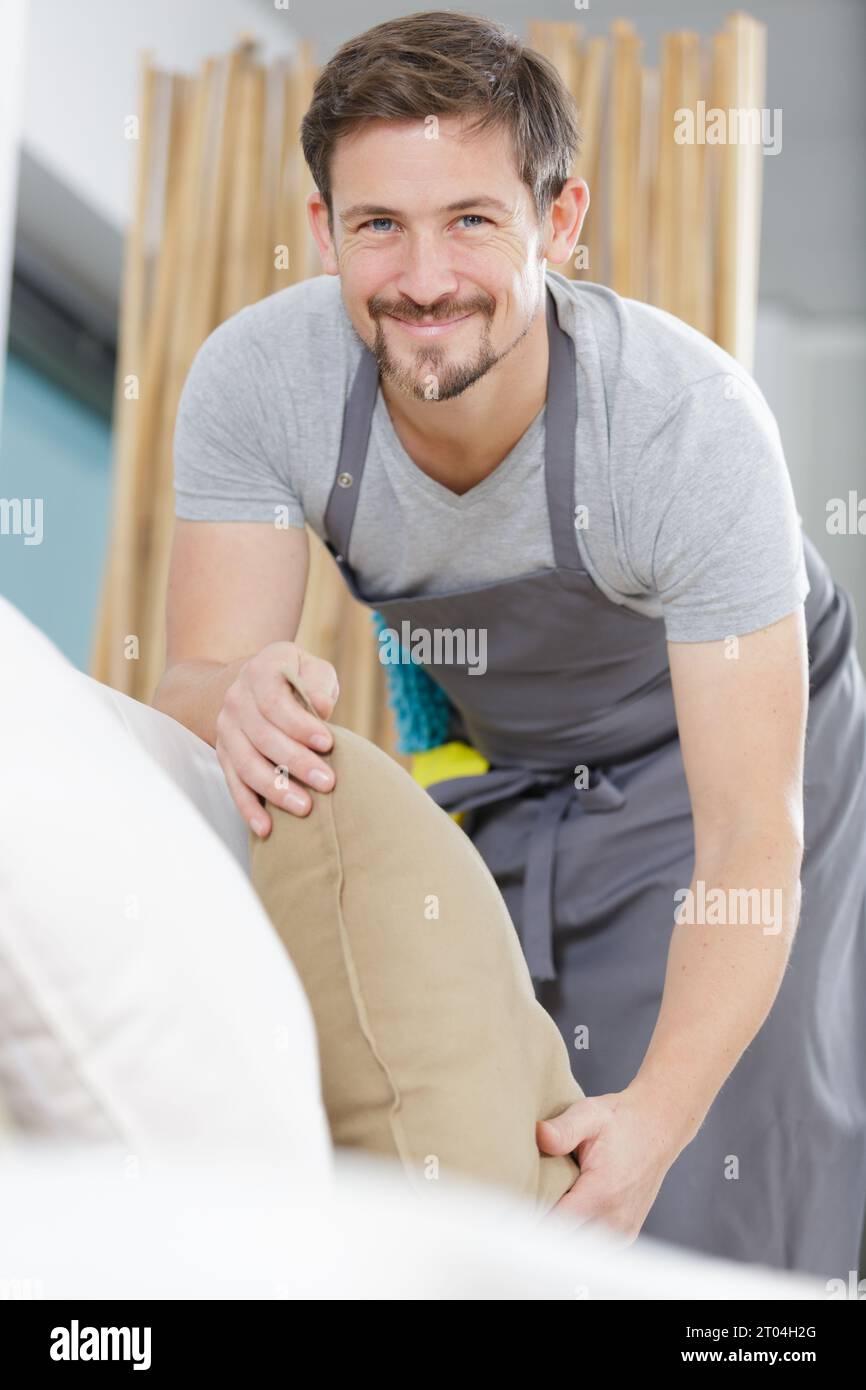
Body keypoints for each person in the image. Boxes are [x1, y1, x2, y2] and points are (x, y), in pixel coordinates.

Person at [154, 11, 866, 1280]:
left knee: (696, 1164)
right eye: (379, 225)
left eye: (472, 220)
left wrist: (654, 1124)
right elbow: (196, 678)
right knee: (514, 1120)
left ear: (559, 221)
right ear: (323, 233)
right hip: (509, 753)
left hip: (729, 745)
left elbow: (751, 844)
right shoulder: (255, 387)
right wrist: (236, 694)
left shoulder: (681, 432)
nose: (425, 276)